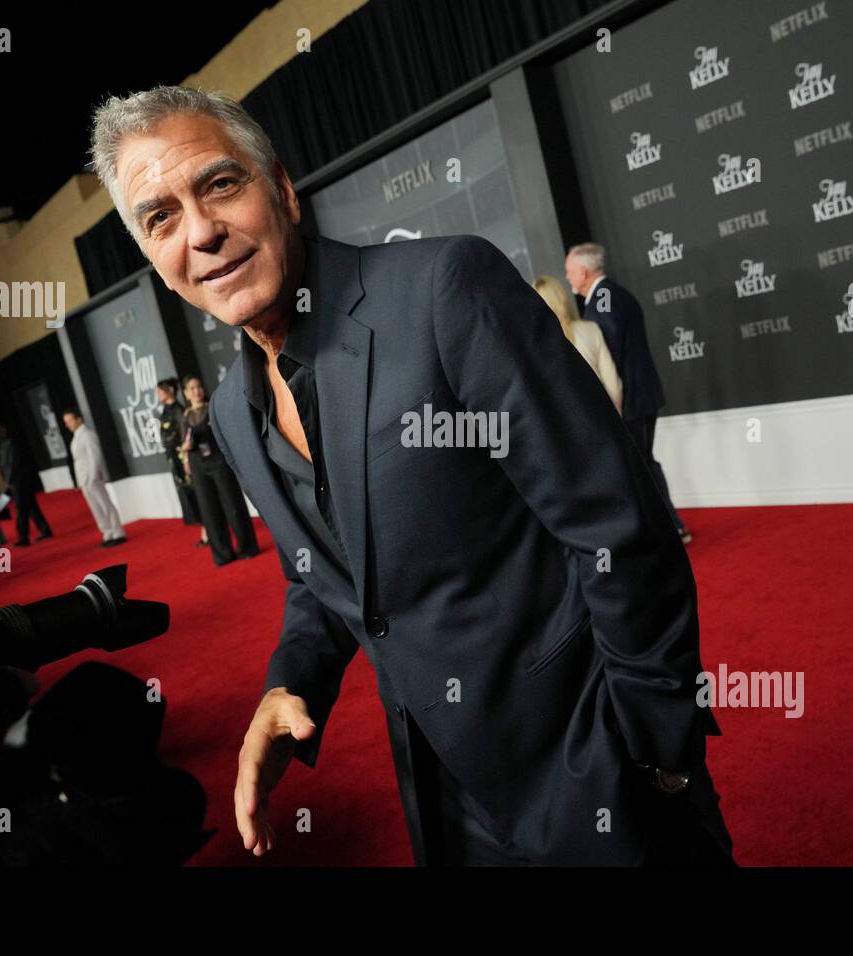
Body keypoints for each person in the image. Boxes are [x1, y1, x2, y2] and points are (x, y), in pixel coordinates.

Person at [90, 86, 732, 866]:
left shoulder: (443, 289)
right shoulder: (231, 412)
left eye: (221, 184)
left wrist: (658, 751)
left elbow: (615, 519)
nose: (201, 233)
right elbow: (322, 573)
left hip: (593, 764)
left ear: (283, 190)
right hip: (442, 796)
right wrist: (290, 682)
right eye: (161, 218)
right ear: (153, 258)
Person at [565, 243, 692, 545]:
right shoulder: (613, 294)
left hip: (631, 399)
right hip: (643, 395)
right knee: (645, 464)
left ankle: (662, 530)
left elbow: (608, 350)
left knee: (639, 468)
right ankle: (670, 526)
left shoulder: (605, 296)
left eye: (569, 271)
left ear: (584, 270)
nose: (568, 278)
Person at [180, 374, 259, 565]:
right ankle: (222, 554)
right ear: (185, 393)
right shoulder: (185, 416)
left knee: (233, 505)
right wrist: (185, 455)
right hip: (198, 465)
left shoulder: (212, 408)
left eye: (198, 386)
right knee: (209, 510)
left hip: (219, 461)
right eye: (191, 388)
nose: (196, 391)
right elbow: (183, 443)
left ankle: (246, 547)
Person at [533, 273, 623, 412]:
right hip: (600, 412)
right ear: (562, 297)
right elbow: (613, 384)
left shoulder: (538, 343)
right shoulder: (590, 329)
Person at [62, 408, 126, 548]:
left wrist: (93, 475)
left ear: (79, 419)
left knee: (105, 505)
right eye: (66, 422)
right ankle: (107, 533)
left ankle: (118, 533)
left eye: (69, 421)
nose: (67, 425)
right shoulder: (76, 437)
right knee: (96, 508)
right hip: (84, 479)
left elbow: (95, 457)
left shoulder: (87, 435)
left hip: (92, 478)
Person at [155, 377, 207, 548]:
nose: (158, 394)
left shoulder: (179, 411)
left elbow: (186, 436)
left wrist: (185, 460)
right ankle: (206, 529)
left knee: (196, 494)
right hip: (174, 460)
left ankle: (207, 530)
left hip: (184, 459)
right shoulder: (165, 411)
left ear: (171, 389)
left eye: (160, 390)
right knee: (188, 495)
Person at [0, 423, 53, 546]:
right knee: (31, 508)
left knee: (22, 510)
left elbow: (13, 465)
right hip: (16, 482)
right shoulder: (3, 446)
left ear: (3, 432)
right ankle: (45, 531)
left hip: (19, 482)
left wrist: (8, 482)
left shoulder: (10, 445)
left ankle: (23, 537)